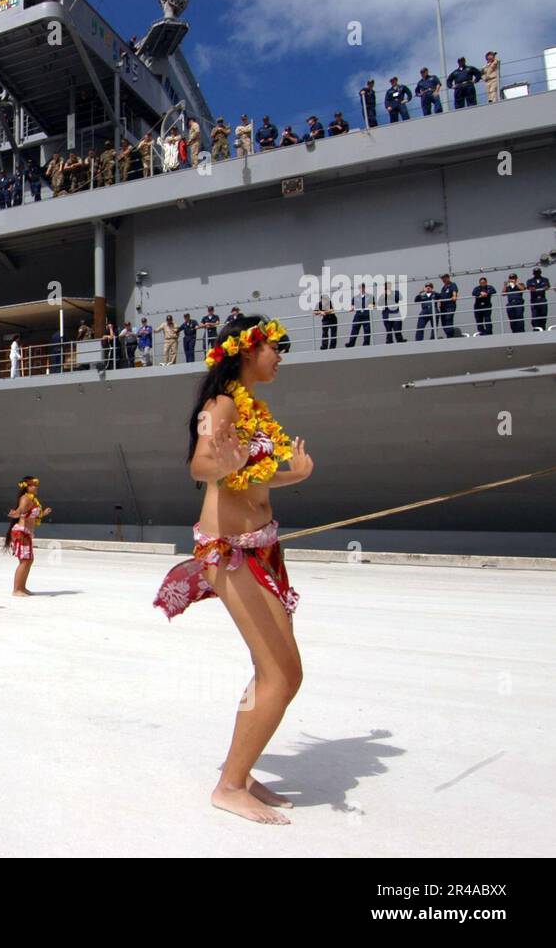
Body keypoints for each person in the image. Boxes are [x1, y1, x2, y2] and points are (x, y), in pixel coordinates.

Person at [153, 316, 313, 825]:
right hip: (232, 551)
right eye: (275, 347)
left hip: (263, 548)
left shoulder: (256, 411)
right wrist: (218, 464)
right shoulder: (221, 406)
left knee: (277, 670)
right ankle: (228, 786)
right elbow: (203, 465)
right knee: (282, 674)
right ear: (248, 349)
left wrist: (294, 475)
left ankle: (240, 772)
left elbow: (252, 479)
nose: (280, 355)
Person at [5, 476, 52, 596]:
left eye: (36, 485)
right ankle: (17, 590)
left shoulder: (32, 500)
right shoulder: (25, 498)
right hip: (21, 532)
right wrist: (15, 514)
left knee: (28, 560)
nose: (36, 487)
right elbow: (20, 510)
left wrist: (43, 514)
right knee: (25, 561)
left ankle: (22, 587)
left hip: (26, 533)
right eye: (33, 485)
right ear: (27, 487)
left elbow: (31, 515)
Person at [345, 282, 373, 347]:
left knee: (367, 330)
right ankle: (351, 343)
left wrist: (370, 307)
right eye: (360, 288)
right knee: (354, 329)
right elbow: (352, 305)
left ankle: (366, 343)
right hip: (358, 315)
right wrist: (351, 308)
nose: (361, 289)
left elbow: (372, 305)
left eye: (362, 287)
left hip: (366, 315)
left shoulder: (370, 296)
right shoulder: (355, 297)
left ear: (364, 288)